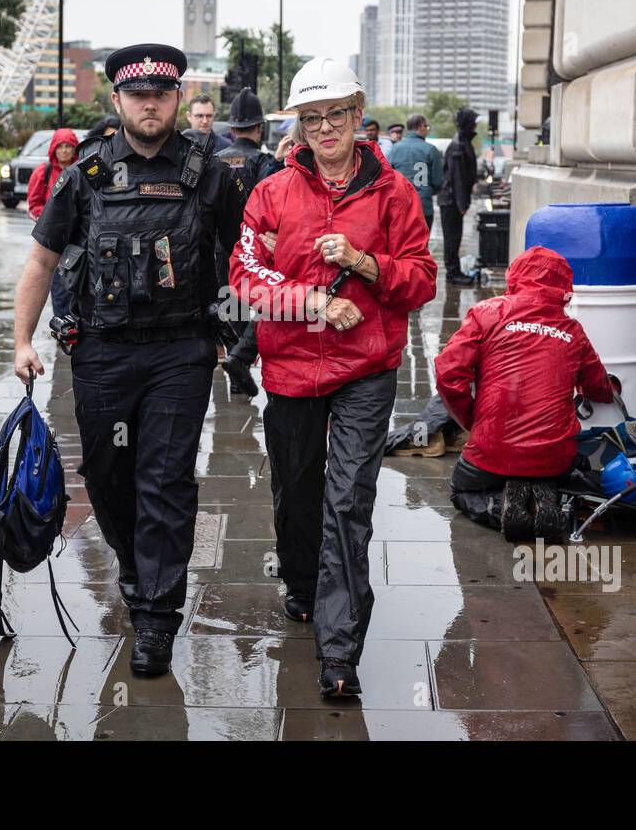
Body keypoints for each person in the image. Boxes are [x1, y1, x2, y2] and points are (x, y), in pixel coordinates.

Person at [12, 43, 244, 676]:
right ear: (116, 101)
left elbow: (245, 254)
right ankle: (136, 570)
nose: (150, 104)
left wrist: (237, 333)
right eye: (137, 95)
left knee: (164, 481)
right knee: (109, 479)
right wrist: (22, 340)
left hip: (180, 353)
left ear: (176, 100)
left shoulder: (211, 174)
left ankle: (156, 616)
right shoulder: (84, 176)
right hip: (103, 355)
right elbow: (41, 261)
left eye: (161, 95)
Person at [230, 57, 436, 697]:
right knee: (298, 495)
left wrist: (365, 264)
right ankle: (300, 583)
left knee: (348, 502)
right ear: (298, 123)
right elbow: (245, 278)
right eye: (311, 118)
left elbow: (423, 280)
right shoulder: (272, 192)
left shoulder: (393, 193)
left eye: (336, 115)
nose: (324, 128)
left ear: (358, 112)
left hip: (366, 371)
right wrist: (313, 302)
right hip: (290, 367)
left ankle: (339, 651)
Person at [434, 246, 615, 541]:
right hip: (554, 459)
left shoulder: (486, 314)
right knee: (557, 464)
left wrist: (471, 419)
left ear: (515, 277)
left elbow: (448, 373)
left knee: (462, 489)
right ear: (564, 289)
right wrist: (611, 389)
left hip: (491, 453)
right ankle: (541, 494)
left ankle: (502, 507)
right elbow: (598, 387)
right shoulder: (572, 330)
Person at [214, 88, 279, 398]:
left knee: (229, 312)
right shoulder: (264, 162)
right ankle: (241, 366)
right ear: (259, 128)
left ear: (231, 129)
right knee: (262, 311)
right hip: (253, 249)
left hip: (218, 251)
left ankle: (235, 364)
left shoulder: (214, 161)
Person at [26, 127, 80, 324]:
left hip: (78, 239)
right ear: (54, 149)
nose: (65, 151)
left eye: (69, 146)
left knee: (78, 283)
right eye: (61, 147)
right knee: (59, 285)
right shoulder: (43, 172)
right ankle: (62, 325)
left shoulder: (82, 169)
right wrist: (53, 223)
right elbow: (33, 205)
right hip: (54, 241)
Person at [439, 107, 479, 286]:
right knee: (452, 238)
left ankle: (454, 271)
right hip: (451, 201)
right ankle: (452, 273)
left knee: (455, 237)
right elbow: (457, 178)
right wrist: (462, 204)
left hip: (453, 200)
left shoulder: (463, 142)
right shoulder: (458, 145)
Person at [386, 113, 444, 231]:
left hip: (399, 206)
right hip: (423, 206)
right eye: (427, 127)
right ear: (421, 126)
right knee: (422, 246)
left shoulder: (395, 149)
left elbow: (385, 176)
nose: (427, 130)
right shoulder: (431, 150)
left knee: (399, 245)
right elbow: (438, 182)